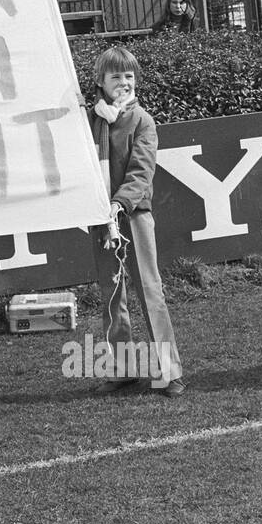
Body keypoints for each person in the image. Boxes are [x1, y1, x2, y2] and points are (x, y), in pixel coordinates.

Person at [87, 45, 185, 397]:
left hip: (134, 214)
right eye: (116, 76)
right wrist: (102, 209)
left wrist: (119, 204)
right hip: (101, 219)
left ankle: (169, 371)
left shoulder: (143, 120)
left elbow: (142, 171)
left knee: (149, 289)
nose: (124, 82)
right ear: (100, 81)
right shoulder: (90, 121)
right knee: (112, 292)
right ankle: (122, 370)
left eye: (129, 76)